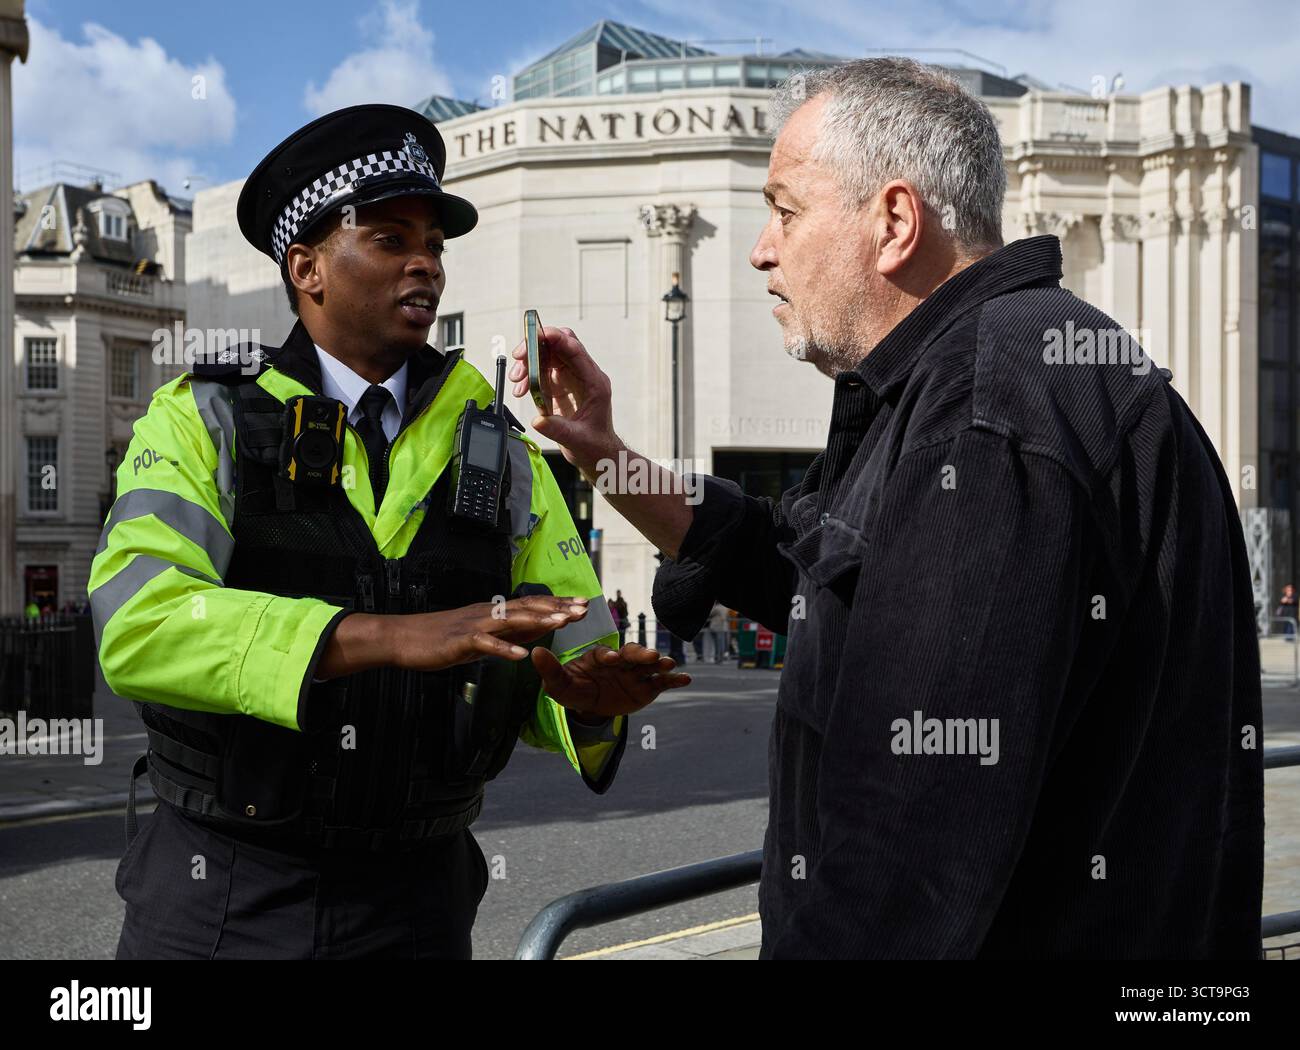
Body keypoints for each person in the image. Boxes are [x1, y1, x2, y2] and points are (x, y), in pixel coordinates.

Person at [508, 58, 1263, 958]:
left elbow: (903, 866)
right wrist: (603, 454)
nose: (761, 247)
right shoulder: (995, 375)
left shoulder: (985, 419)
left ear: (894, 222)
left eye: (786, 210)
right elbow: (791, 565)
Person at [88, 104, 688, 960]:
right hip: (224, 900)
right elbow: (138, 623)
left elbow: (572, 634)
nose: (425, 265)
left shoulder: (501, 450)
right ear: (307, 267)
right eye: (389, 238)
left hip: (420, 903)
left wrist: (587, 704)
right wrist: (387, 637)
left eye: (436, 245)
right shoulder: (201, 420)